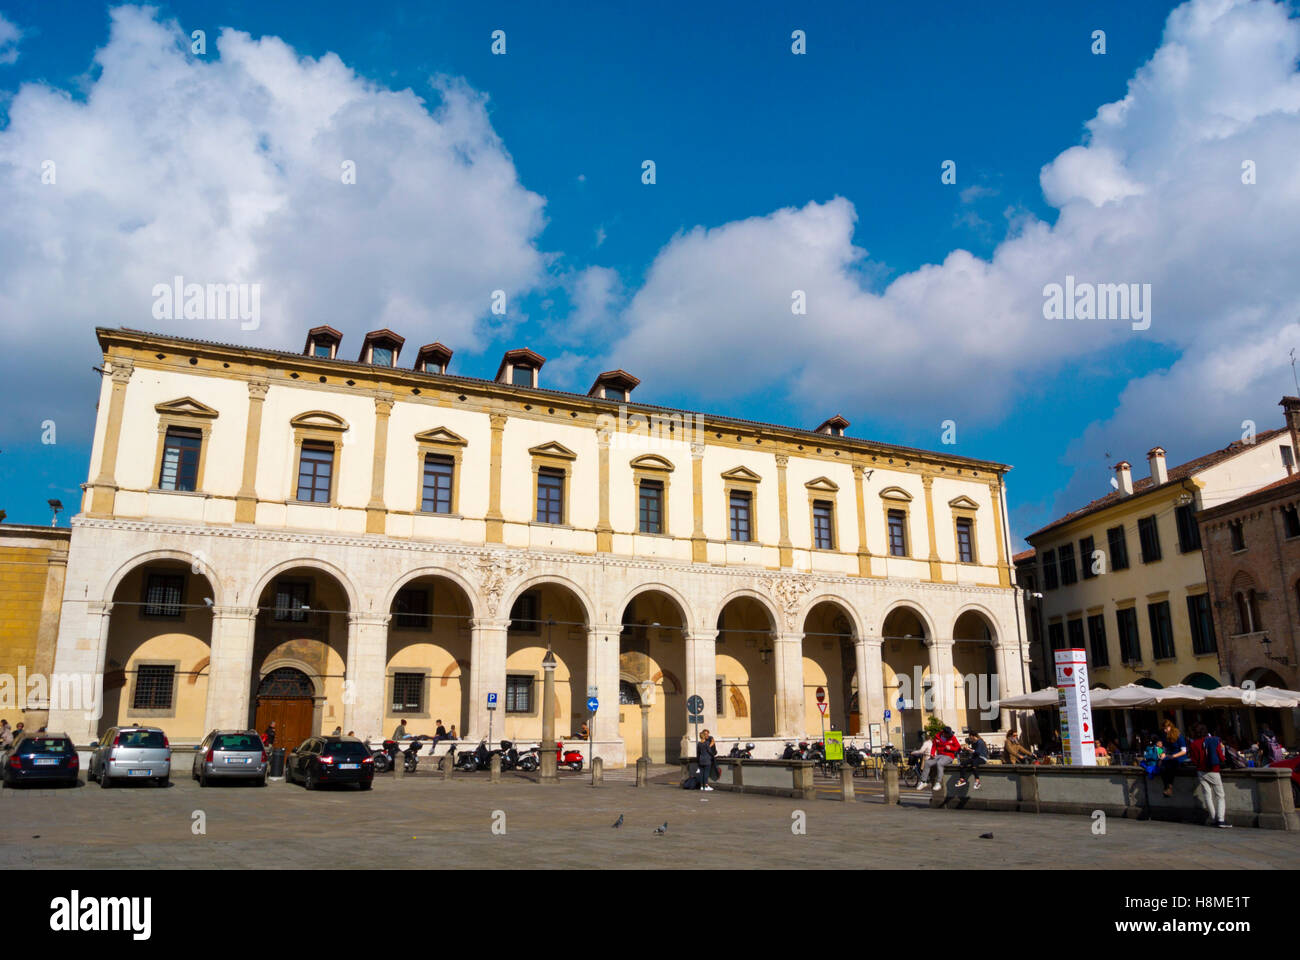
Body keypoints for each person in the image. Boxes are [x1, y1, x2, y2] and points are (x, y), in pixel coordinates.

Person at [1190, 723, 1232, 828]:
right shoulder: (1213, 740)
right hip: (1213, 770)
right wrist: (1223, 760)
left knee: (1207, 795)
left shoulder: (1194, 744)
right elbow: (1220, 755)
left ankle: (1213, 818)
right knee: (1220, 795)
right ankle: (1221, 820)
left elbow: (1193, 759)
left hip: (1200, 771)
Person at [917, 725, 961, 791]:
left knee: (939, 763)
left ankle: (938, 783)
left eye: (950, 734)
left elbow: (958, 747)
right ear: (944, 733)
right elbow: (934, 746)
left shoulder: (953, 737)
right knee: (927, 763)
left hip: (949, 756)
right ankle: (923, 782)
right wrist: (932, 753)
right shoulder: (937, 736)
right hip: (939, 755)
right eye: (948, 734)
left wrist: (951, 748)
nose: (949, 735)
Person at [1159, 719, 1188, 797]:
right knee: (1162, 767)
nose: (1165, 730)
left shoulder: (1179, 736)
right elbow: (1165, 748)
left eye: (1166, 728)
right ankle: (1166, 787)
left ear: (1170, 727)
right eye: (1164, 729)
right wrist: (1162, 754)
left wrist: (1172, 756)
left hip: (1179, 756)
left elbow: (1184, 751)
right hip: (1169, 756)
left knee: (1171, 765)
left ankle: (1169, 786)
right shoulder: (1165, 737)